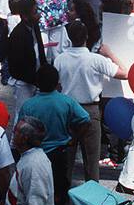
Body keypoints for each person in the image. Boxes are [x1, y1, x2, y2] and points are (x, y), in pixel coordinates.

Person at [54, 20, 126, 184]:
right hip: (90, 111)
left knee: (66, 161)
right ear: (86, 37)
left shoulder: (60, 59)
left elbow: (56, 85)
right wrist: (110, 54)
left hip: (67, 110)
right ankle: (91, 202)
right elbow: (125, 73)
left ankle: (62, 201)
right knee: (92, 163)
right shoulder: (96, 60)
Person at [19, 63, 89, 205]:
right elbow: (85, 120)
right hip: (58, 154)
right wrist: (74, 140)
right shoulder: (66, 101)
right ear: (57, 83)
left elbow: (20, 131)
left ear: (37, 83)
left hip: (35, 154)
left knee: (34, 191)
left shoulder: (29, 105)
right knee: (59, 191)